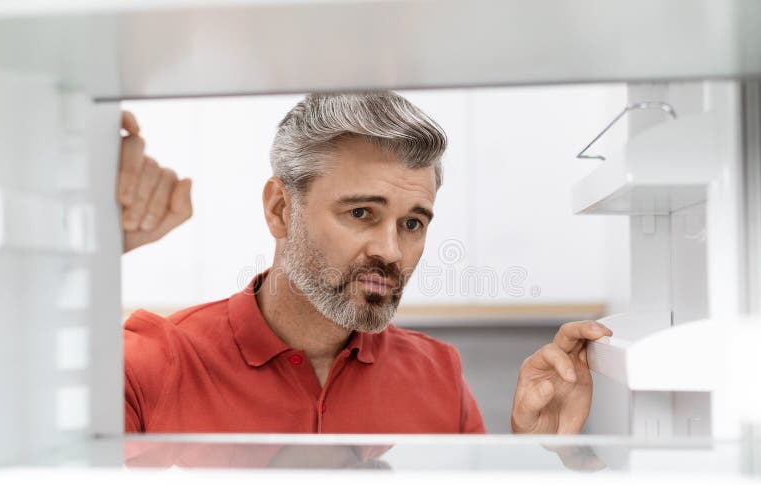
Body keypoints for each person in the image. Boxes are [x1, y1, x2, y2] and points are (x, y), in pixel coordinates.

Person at [121, 91, 613, 434]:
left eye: (413, 223)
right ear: (280, 209)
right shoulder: (150, 365)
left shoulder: (438, 374)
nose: (391, 251)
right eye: (361, 213)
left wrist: (537, 456)